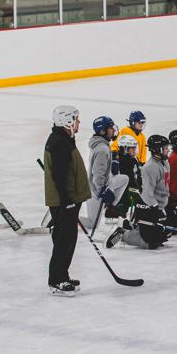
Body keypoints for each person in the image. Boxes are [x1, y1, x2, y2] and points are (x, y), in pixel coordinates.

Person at [44, 106, 90, 296]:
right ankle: (56, 281)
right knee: (63, 240)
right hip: (65, 201)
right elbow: (60, 176)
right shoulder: (60, 143)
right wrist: (67, 201)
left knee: (68, 238)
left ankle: (62, 275)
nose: (79, 123)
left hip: (68, 199)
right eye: (76, 119)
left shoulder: (64, 139)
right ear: (67, 121)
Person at [86, 116, 128, 232]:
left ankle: (111, 207)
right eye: (110, 128)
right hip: (95, 189)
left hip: (104, 184)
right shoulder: (102, 148)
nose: (114, 131)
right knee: (92, 224)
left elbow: (102, 170)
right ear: (102, 131)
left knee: (124, 179)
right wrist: (101, 191)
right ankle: (68, 221)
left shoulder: (103, 145)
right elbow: (97, 174)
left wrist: (112, 166)